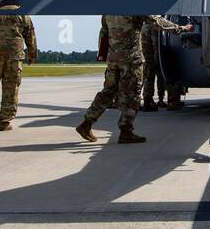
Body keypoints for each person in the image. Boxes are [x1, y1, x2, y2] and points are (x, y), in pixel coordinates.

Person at [76, 15, 190, 144]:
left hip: (113, 59)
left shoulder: (108, 11)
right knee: (133, 95)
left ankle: (87, 123)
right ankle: (126, 131)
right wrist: (181, 28)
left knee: (108, 92)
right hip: (131, 60)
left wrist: (104, 55)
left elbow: (103, 33)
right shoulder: (135, 7)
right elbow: (157, 21)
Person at [141, 20, 166, 112]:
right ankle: (158, 100)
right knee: (157, 78)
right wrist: (158, 60)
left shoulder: (142, 27)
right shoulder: (153, 27)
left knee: (146, 79)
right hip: (152, 58)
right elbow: (155, 44)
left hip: (144, 58)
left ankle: (147, 100)